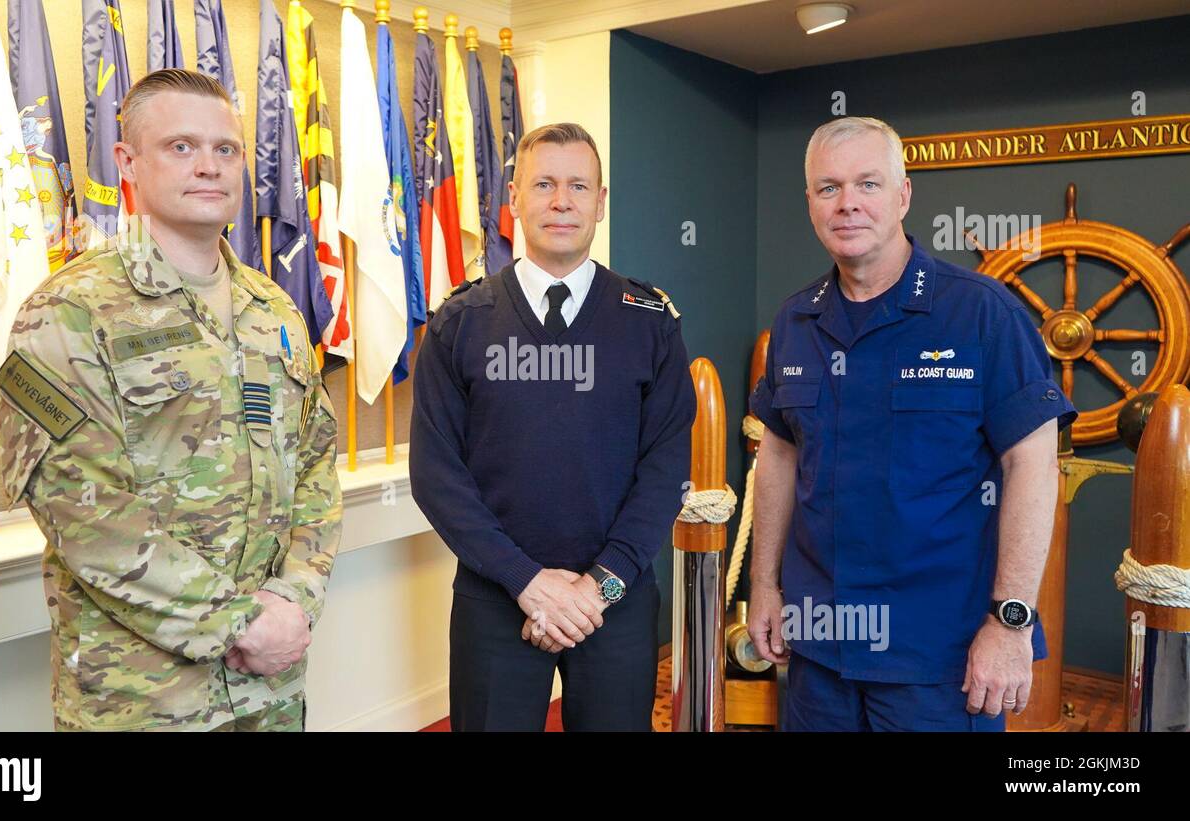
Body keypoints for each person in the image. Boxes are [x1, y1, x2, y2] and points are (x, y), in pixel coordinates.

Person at [0, 69, 341, 732]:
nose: (209, 165)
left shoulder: (274, 310)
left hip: (271, 690)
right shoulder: (66, 315)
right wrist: (240, 623)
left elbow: (318, 468)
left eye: (226, 149)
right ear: (128, 162)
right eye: (181, 146)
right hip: (144, 702)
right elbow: (86, 513)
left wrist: (297, 598)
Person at [746, 116, 1077, 731]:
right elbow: (779, 457)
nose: (848, 204)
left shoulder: (981, 314)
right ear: (811, 203)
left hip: (940, 659)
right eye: (828, 188)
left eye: (868, 184)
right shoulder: (796, 321)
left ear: (903, 195)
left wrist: (1011, 622)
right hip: (820, 650)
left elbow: (1032, 465)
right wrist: (764, 584)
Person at [410, 122, 696, 731]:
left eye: (578, 186)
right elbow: (437, 478)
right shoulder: (459, 323)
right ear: (513, 198)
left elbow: (667, 469)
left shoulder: (650, 323)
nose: (561, 201)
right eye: (543, 184)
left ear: (600, 202)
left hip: (616, 599)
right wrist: (526, 582)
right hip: (496, 596)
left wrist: (601, 587)